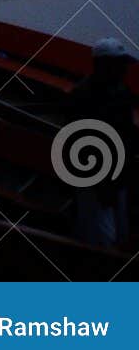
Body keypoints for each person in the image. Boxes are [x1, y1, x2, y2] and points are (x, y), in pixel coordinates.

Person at [68, 38, 136, 247]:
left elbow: (126, 133)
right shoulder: (83, 96)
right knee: (101, 234)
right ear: (103, 65)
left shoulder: (122, 93)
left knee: (121, 228)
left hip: (118, 172)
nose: (125, 69)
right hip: (93, 176)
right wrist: (100, 183)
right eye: (120, 64)